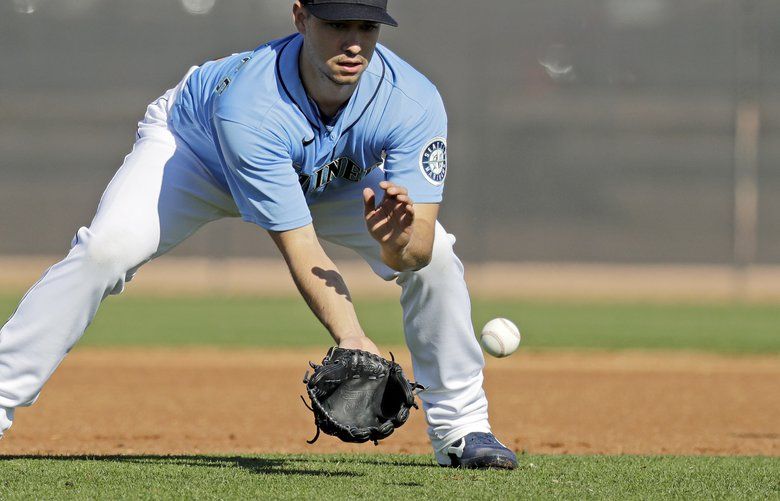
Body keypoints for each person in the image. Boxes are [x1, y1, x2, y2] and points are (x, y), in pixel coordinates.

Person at [0, 0, 517, 469]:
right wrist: (353, 338)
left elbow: (418, 244)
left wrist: (396, 244)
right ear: (299, 18)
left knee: (441, 258)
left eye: (367, 26)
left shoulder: (412, 101)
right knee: (104, 251)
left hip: (330, 175)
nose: (353, 42)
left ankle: (462, 430)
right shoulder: (251, 103)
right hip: (195, 153)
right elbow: (300, 243)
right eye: (337, 24)